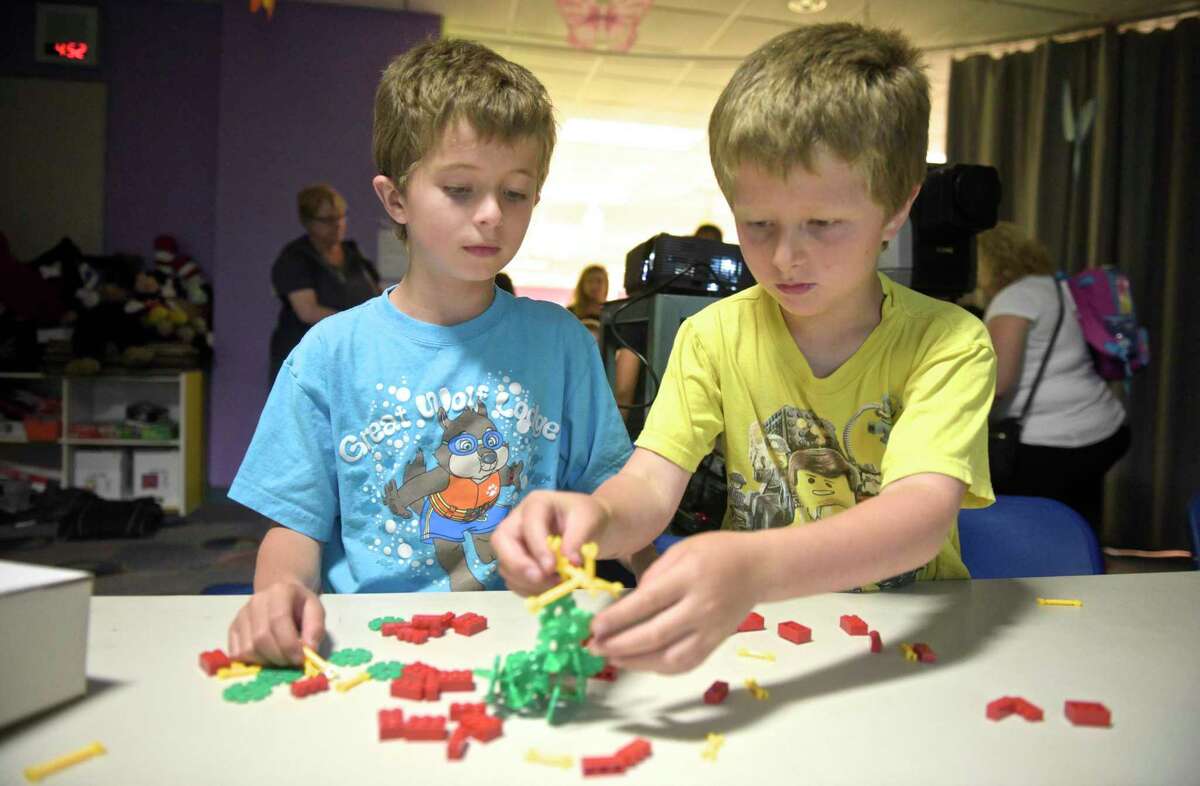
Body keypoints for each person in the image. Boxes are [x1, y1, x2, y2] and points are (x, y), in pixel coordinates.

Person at [494, 23, 996, 674]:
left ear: (896, 213)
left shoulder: (949, 342)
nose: (786, 256)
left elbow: (918, 518)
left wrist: (752, 566)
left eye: (824, 225)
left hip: (913, 645)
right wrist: (594, 517)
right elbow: (650, 485)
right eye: (758, 224)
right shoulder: (712, 335)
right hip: (763, 643)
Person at [227, 39, 632, 666]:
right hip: (371, 645)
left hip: (533, 643)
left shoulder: (563, 344)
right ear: (396, 201)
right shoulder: (330, 353)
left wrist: (655, 574)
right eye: (461, 189)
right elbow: (295, 526)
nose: (493, 215)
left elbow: (617, 502)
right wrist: (278, 595)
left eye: (517, 193)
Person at [976, 221, 1129, 533]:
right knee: (1079, 524)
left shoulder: (1014, 299)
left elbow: (997, 383)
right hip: (1104, 428)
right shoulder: (1055, 287)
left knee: (1029, 531)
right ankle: (1087, 573)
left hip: (1048, 443)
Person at [268, 184, 381, 384]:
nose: (337, 224)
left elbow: (378, 296)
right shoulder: (294, 258)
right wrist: (360, 324)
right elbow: (308, 311)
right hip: (309, 360)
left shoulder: (353, 253)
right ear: (308, 222)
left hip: (352, 356)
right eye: (327, 220)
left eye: (341, 216)